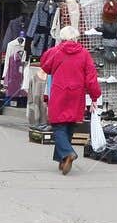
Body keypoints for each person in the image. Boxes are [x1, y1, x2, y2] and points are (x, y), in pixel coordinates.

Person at [39, 25, 100, 175]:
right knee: (69, 125)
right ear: (76, 38)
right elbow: (91, 78)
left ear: (62, 37)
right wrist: (94, 96)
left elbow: (45, 66)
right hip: (76, 93)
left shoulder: (55, 52)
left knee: (58, 125)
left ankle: (67, 153)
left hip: (59, 91)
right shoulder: (84, 54)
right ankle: (62, 160)